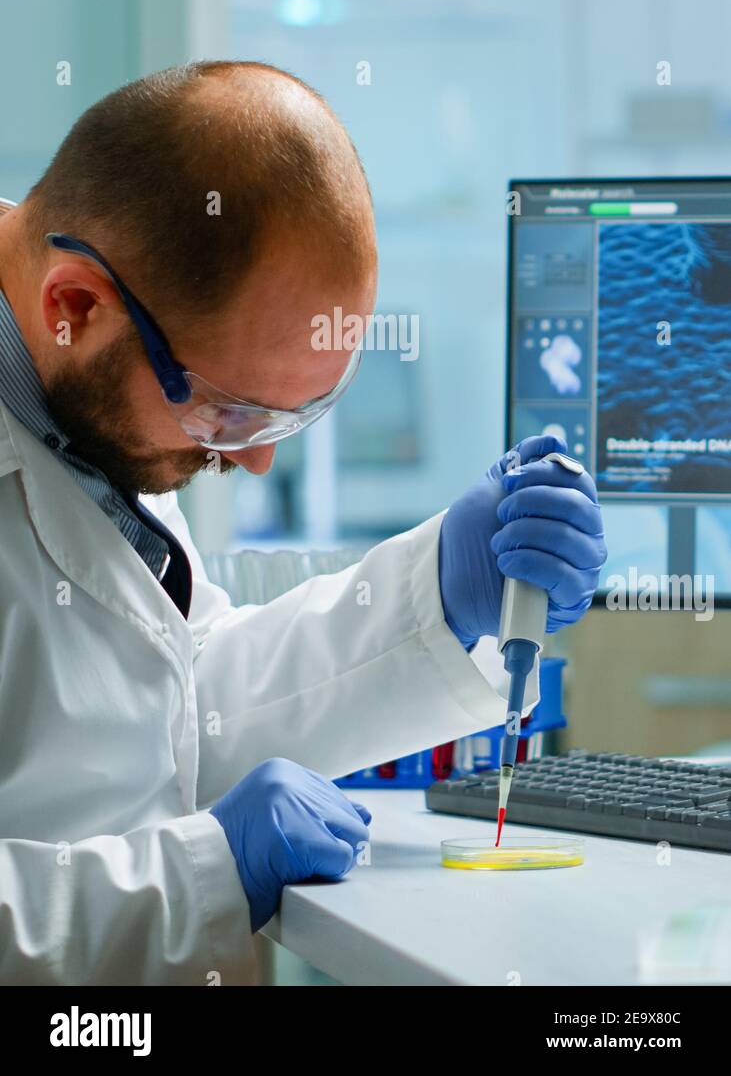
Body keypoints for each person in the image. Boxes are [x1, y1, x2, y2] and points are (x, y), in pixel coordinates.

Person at [0, 61, 606, 983]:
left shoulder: (85, 378)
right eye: (231, 412)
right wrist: (199, 876)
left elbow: (173, 709)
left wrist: (436, 591)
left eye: (293, 417)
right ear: (74, 305)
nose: (254, 462)